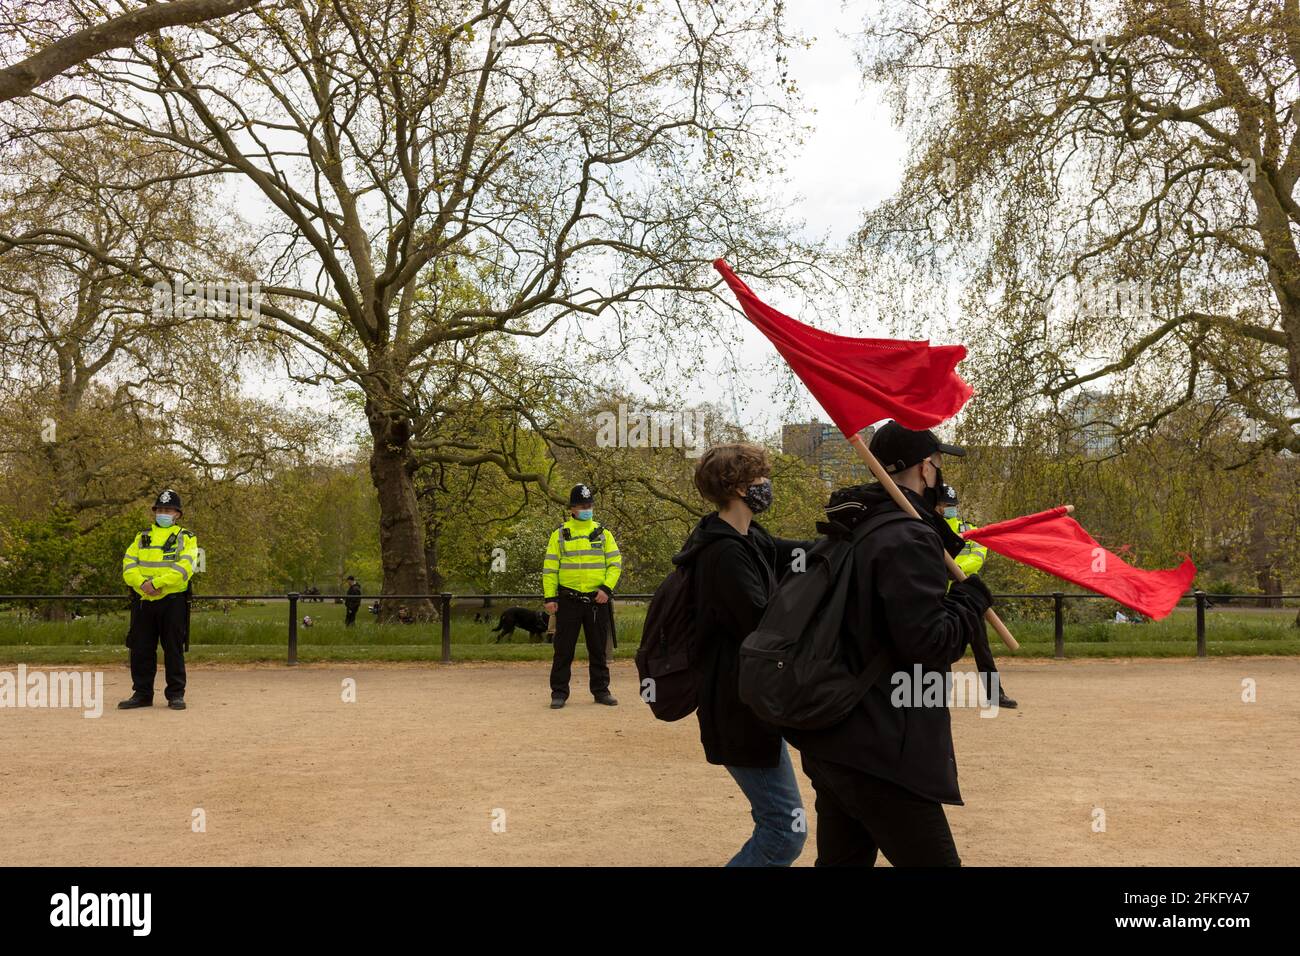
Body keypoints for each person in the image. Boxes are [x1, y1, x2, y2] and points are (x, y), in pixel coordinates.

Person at [783, 422, 994, 866]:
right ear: (925, 467)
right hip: (882, 748)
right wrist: (969, 604)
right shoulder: (908, 536)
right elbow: (929, 642)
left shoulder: (851, 525)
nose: (938, 473)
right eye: (937, 463)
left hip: (835, 734)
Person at [673, 443, 811, 866]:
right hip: (738, 707)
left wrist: (851, 543)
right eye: (759, 479)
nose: (766, 486)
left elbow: (800, 554)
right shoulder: (724, 554)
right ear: (735, 487)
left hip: (757, 702)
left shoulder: (749, 538)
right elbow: (765, 627)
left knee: (780, 822)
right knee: (784, 830)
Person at [935, 483, 1017, 709]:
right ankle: (940, 693)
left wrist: (956, 569)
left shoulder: (969, 529)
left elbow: (979, 554)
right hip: (939, 589)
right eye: (945, 504)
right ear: (937, 506)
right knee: (939, 642)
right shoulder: (929, 529)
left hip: (965, 590)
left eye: (952, 504)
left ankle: (995, 693)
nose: (949, 508)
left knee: (981, 644)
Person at [542, 484, 621, 709]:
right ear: (572, 509)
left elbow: (615, 563)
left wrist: (606, 589)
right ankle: (559, 693)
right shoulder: (560, 534)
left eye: (589, 505)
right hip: (568, 599)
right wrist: (550, 597)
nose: (587, 509)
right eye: (582, 505)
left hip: (597, 600)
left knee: (598, 649)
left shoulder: (603, 533)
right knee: (563, 650)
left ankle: (601, 690)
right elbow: (550, 569)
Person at [119, 489, 199, 711]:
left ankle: (175, 694)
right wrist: (142, 584)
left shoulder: (187, 537)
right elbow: (128, 565)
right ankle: (142, 694)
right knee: (141, 649)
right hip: (143, 600)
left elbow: (184, 568)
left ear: (177, 514)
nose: (163, 513)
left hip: (172, 601)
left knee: (173, 649)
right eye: (160, 509)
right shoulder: (141, 537)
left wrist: (155, 584)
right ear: (155, 512)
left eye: (168, 510)